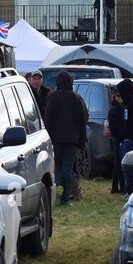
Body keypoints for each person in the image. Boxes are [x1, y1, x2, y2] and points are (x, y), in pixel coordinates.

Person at [43, 70, 87, 206]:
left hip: (55, 138)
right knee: (67, 167)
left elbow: (48, 119)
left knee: (55, 165)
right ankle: (66, 197)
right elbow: (82, 121)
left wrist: (47, 137)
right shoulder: (76, 98)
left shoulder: (53, 97)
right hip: (72, 139)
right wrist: (81, 141)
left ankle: (54, 192)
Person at [109, 78, 133, 194]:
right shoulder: (128, 104)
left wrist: (125, 136)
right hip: (126, 140)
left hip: (130, 140)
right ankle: (129, 191)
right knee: (127, 169)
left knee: (131, 168)